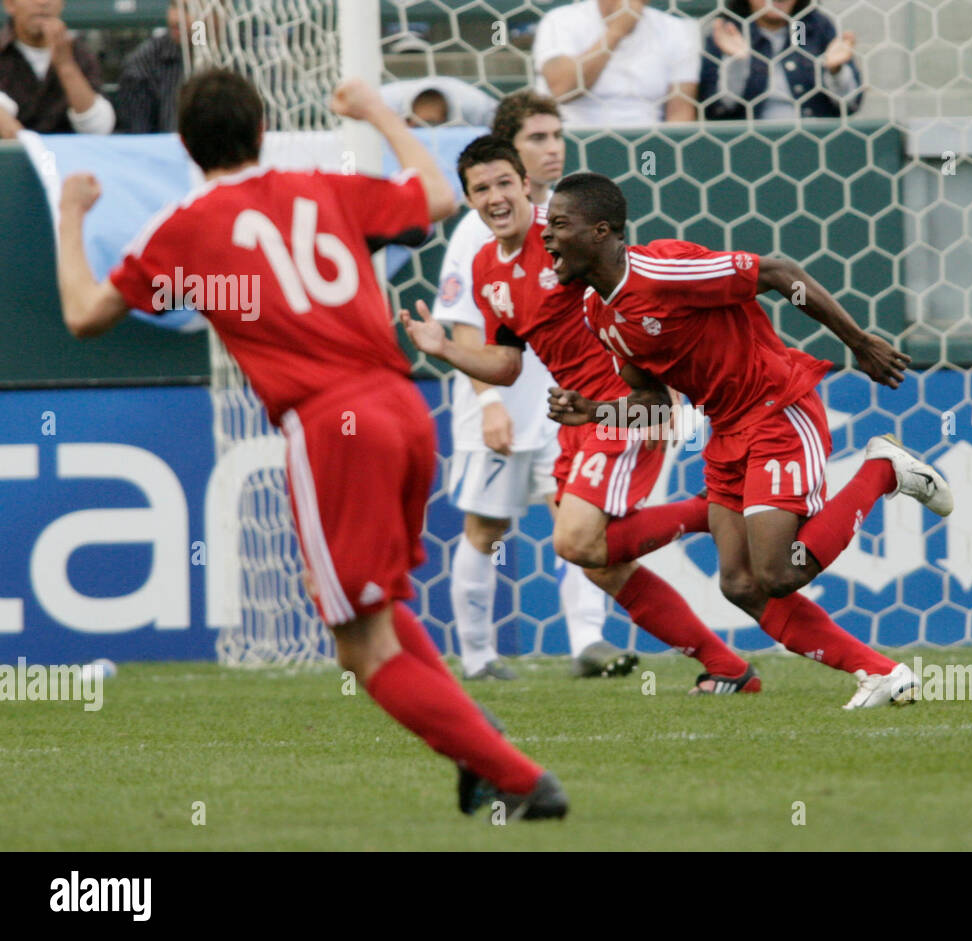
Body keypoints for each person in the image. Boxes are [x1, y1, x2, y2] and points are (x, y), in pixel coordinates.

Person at [55, 68, 567, 819]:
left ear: (186, 148)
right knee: (380, 609)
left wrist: (71, 215)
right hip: (400, 406)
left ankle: (521, 779)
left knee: (359, 647)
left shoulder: (182, 227)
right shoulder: (318, 186)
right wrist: (374, 113)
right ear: (263, 132)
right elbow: (431, 195)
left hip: (332, 427)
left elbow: (83, 315)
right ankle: (476, 741)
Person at [542, 172, 955, 708]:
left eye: (558, 224)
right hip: (726, 428)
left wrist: (859, 341)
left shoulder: (665, 270)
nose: (547, 237)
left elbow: (780, 273)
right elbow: (657, 404)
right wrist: (595, 411)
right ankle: (879, 672)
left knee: (778, 573)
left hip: (777, 407)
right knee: (739, 585)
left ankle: (883, 470)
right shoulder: (598, 313)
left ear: (602, 232)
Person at [405, 136, 758, 693]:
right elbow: (506, 362)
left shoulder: (562, 238)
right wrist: (446, 348)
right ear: (470, 199)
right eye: (481, 189)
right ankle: (728, 668)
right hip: (579, 420)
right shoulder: (483, 266)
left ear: (525, 185)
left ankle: (716, 507)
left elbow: (631, 276)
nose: (496, 197)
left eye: (504, 183)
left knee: (573, 541)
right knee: (600, 564)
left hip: (627, 407)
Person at [431, 89, 637, 680]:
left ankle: (588, 644)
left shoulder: (565, 225)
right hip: (500, 408)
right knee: (486, 528)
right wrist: (490, 402)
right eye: (537, 138)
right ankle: (476, 657)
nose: (553, 149)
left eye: (556, 135)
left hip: (568, 407)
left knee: (576, 516)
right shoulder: (475, 235)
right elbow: (467, 329)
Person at [532, 0, 698, 127]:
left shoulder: (676, 30)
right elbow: (562, 88)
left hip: (648, 145)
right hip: (573, 140)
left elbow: (680, 112)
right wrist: (616, 32)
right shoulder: (559, 21)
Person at [699, 0, 862, 121]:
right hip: (751, 150)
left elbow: (850, 105)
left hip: (813, 146)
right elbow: (717, 109)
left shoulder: (808, 27)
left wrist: (836, 71)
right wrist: (737, 62)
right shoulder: (729, 32)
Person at [0, 0, 114, 138]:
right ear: (10, 4)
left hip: (70, 154)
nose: (43, 3)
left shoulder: (80, 54)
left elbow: (99, 129)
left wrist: (65, 64)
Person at [115, 0, 184, 134]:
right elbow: (139, 138)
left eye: (188, 9)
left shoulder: (235, 53)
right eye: (174, 6)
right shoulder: (143, 64)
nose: (175, 18)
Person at [380, 77, 497, 128]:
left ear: (444, 118)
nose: (423, 132)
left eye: (429, 124)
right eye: (412, 123)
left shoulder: (475, 105)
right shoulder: (384, 100)